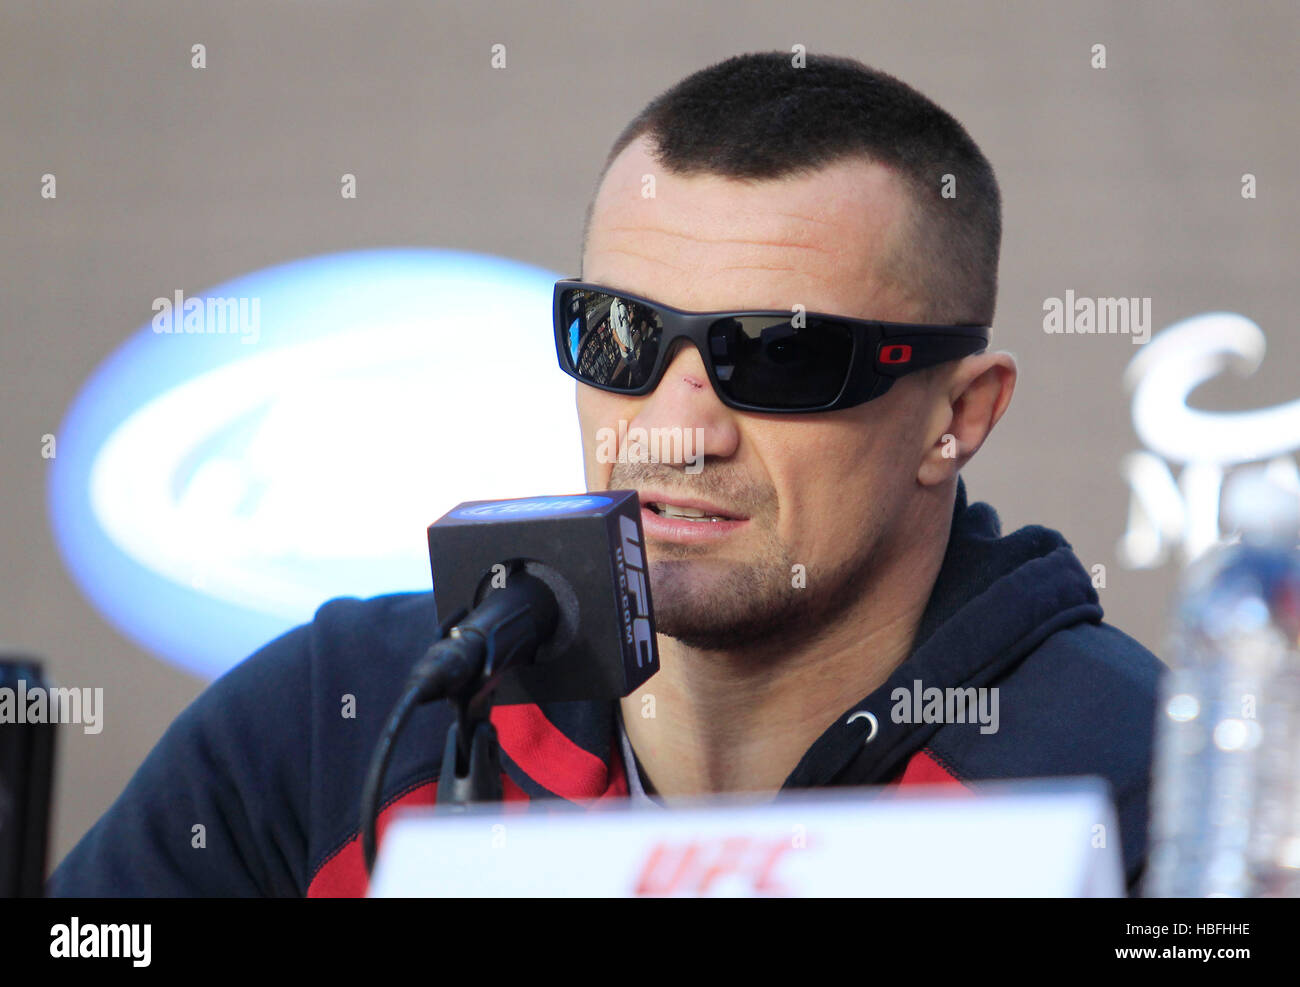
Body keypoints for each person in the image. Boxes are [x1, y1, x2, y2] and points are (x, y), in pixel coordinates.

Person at [48, 51, 1163, 897]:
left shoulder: (1134, 781)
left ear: (957, 418)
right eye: (619, 336)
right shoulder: (341, 717)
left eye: (774, 353)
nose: (675, 431)